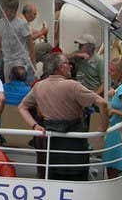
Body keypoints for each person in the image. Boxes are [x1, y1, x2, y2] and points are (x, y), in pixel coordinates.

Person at [18, 52, 109, 181]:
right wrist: (103, 127)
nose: (71, 66)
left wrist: (35, 125)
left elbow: (22, 107)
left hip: (52, 145)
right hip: (75, 145)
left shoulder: (39, 86)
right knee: (78, 182)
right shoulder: (72, 85)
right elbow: (103, 103)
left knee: (54, 181)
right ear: (61, 67)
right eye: (68, 63)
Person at [0, 0, 34, 83]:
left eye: (12, 11)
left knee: (19, 83)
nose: (8, 13)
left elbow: (30, 44)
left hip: (20, 60)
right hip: (7, 60)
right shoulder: (0, 23)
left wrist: (33, 61)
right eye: (6, 10)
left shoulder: (22, 24)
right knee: (8, 83)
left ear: (16, 11)